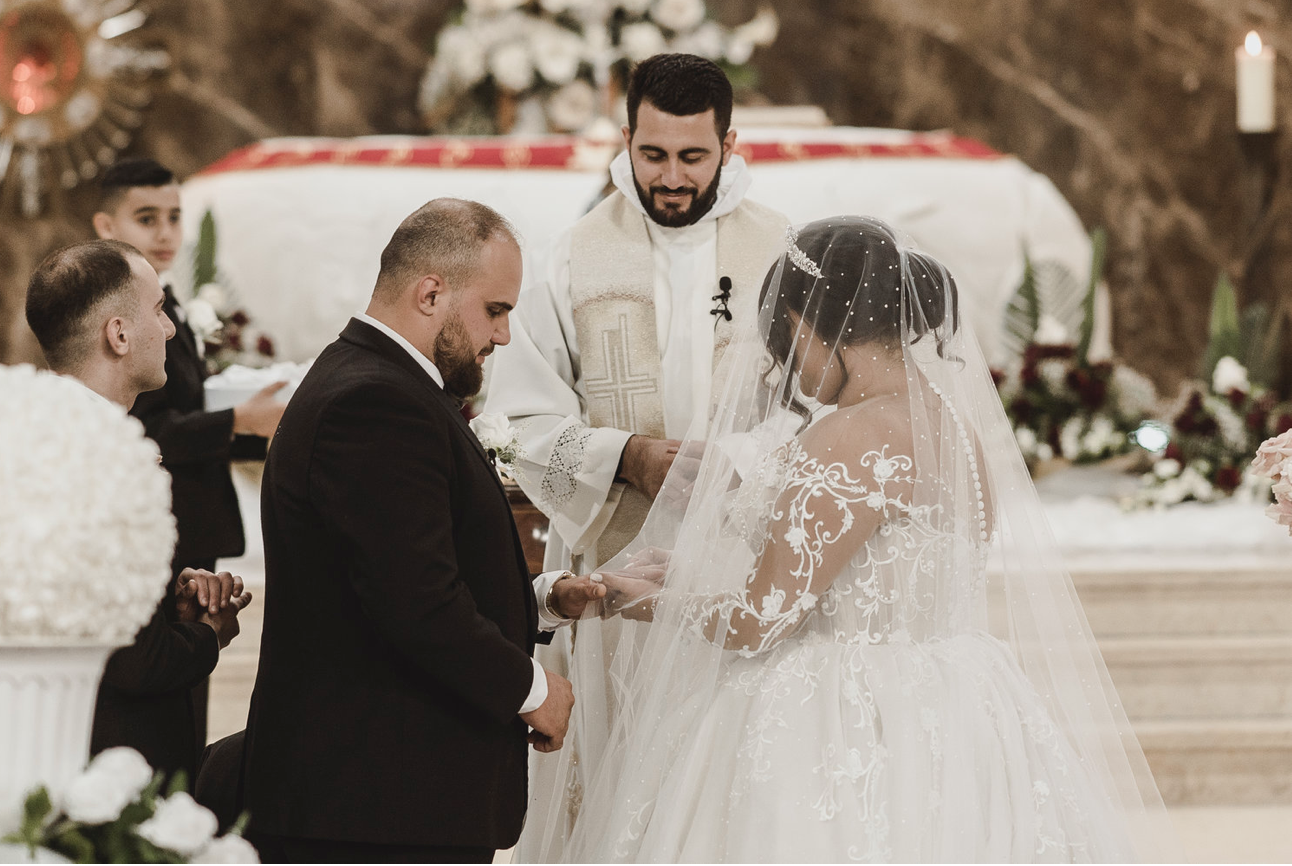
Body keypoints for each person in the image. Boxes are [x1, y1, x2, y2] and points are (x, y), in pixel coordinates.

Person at [562, 217, 1180, 861]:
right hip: (959, 710)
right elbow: (872, 584)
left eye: (788, 346)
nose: (787, 373)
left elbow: (758, 622)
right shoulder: (955, 430)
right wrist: (687, 575)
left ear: (810, 325)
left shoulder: (849, 435)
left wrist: (629, 601)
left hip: (838, 723)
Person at [483, 53, 788, 859]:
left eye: (694, 156)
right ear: (626, 139)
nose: (672, 177)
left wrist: (745, 461)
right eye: (653, 155)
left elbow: (815, 402)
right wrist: (628, 457)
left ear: (730, 142)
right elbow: (514, 420)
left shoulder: (784, 255)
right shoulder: (574, 255)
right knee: (620, 787)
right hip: (617, 574)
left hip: (743, 561)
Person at [242, 199, 605, 864]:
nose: (502, 335)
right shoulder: (373, 404)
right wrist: (532, 690)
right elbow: (416, 605)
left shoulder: (380, 385)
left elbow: (394, 579)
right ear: (431, 293)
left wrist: (547, 598)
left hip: (385, 803)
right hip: (370, 810)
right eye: (496, 310)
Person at [24, 239, 251, 779]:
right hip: (110, 760)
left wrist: (168, 596)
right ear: (118, 334)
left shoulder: (40, 435)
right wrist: (207, 634)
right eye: (158, 311)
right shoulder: (102, 455)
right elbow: (136, 662)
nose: (171, 329)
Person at [93, 158, 285, 749]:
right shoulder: (110, 313)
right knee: (164, 678)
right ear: (105, 225)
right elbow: (148, 427)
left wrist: (276, 424)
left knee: (189, 686)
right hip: (155, 515)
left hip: (190, 513)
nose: (166, 233)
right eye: (146, 217)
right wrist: (238, 419)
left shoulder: (167, 306)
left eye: (175, 217)